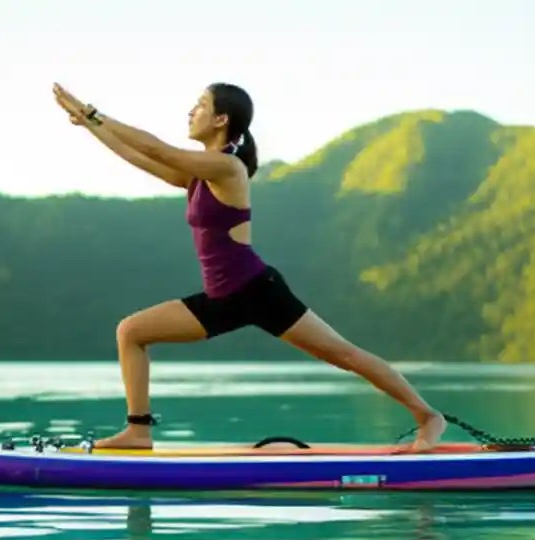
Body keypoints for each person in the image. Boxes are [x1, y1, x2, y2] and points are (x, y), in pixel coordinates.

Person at [51, 82, 447, 452]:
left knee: (344, 355)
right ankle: (138, 431)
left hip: (257, 291)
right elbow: (140, 157)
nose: (191, 112)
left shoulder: (228, 168)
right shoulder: (198, 174)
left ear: (221, 120)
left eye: (201, 106)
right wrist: (88, 124)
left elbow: (159, 150)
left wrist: (93, 112)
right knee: (131, 332)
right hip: (222, 299)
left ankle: (428, 416)